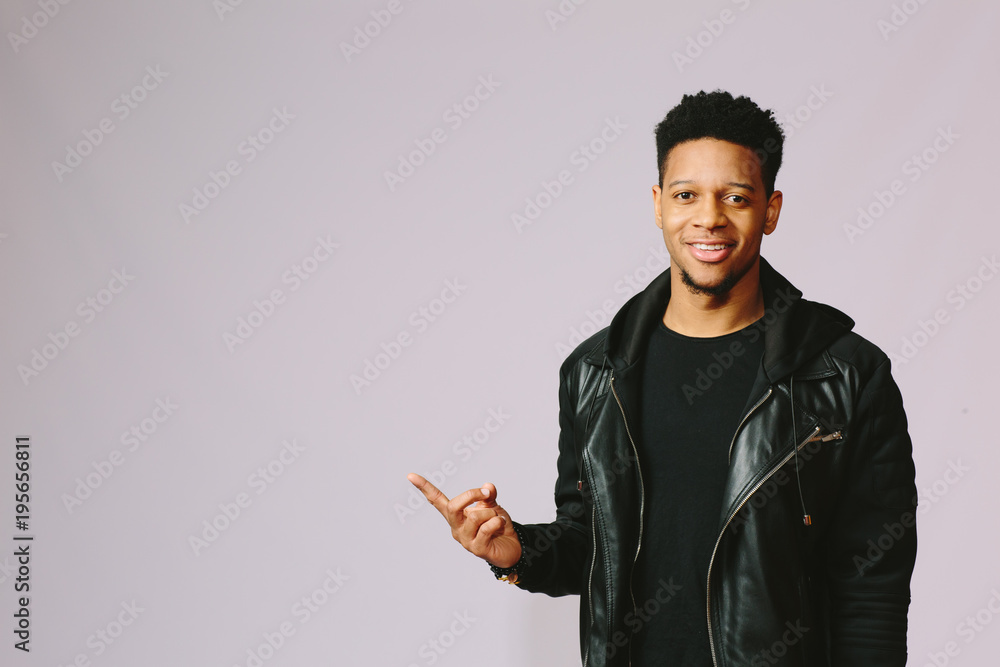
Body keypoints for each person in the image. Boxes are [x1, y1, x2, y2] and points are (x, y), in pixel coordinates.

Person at [407, 89, 917, 666]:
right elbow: (591, 546)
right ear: (657, 204)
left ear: (770, 210)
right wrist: (515, 549)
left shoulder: (844, 375)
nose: (709, 218)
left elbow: (871, 585)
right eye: (686, 195)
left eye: (735, 197)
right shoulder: (595, 373)